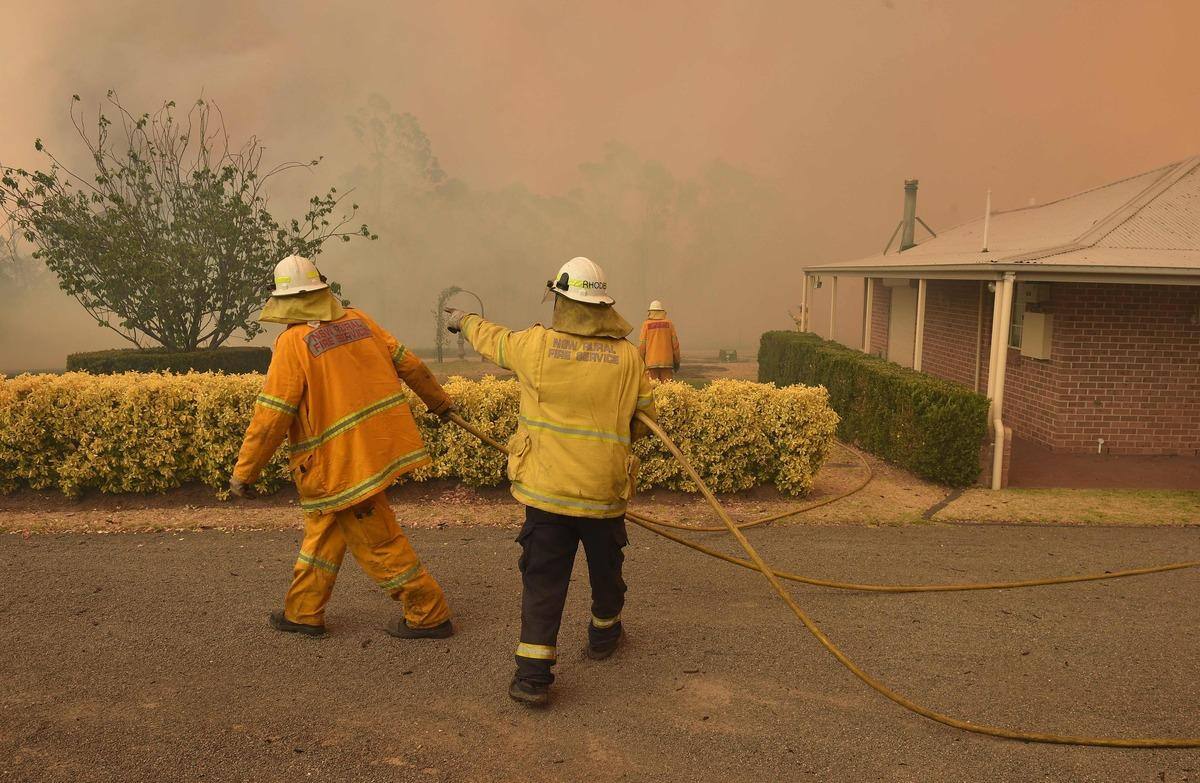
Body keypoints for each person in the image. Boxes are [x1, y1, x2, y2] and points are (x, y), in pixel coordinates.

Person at [445, 256, 657, 707]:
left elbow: (494, 340)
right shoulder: (628, 356)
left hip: (545, 493)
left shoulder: (535, 346)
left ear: (560, 298)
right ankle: (604, 635)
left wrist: (464, 320)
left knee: (543, 580)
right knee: (607, 570)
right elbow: (643, 423)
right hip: (602, 494)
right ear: (602, 305)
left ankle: (533, 677)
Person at [230, 254, 454, 640]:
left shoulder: (292, 343)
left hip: (341, 465)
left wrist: (244, 473)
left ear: (283, 301)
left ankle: (428, 613)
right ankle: (302, 611)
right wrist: (439, 402)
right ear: (322, 291)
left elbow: (271, 417)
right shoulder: (359, 321)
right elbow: (411, 365)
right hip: (377, 448)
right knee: (326, 529)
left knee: (379, 542)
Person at [638, 299, 681, 381]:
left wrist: (640, 363)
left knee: (652, 390)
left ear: (650, 312)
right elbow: (675, 345)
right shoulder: (669, 324)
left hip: (651, 365)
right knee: (666, 391)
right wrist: (677, 362)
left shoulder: (646, 325)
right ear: (662, 312)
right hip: (667, 364)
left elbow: (642, 346)